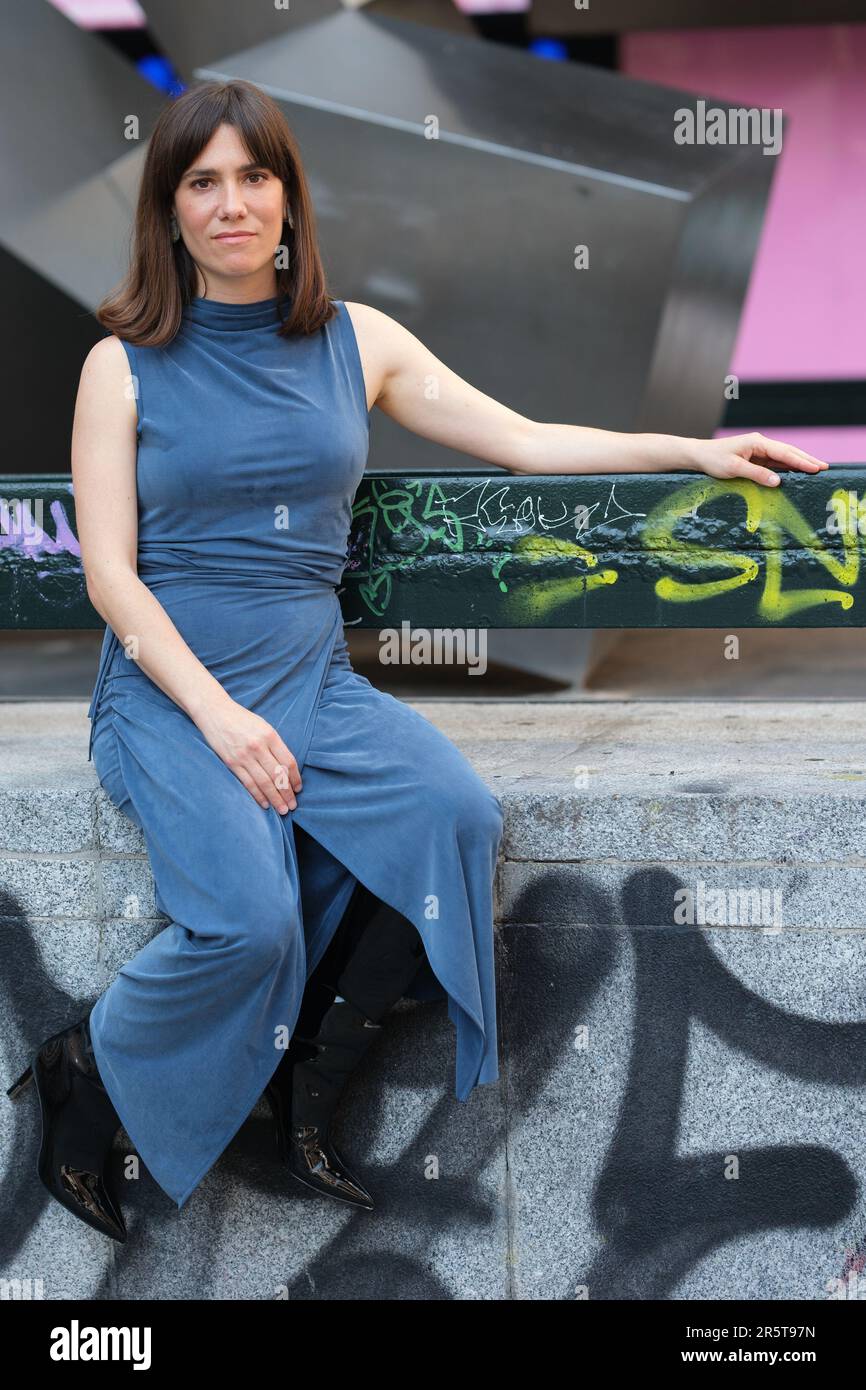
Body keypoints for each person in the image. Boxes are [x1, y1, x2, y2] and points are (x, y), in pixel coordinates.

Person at [5, 79, 827, 1243]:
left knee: (454, 817)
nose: (231, 203)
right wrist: (224, 724)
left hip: (312, 684)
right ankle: (86, 1065)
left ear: (288, 198)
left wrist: (690, 447)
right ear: (170, 209)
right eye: (201, 182)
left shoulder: (357, 341)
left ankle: (293, 1094)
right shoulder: (122, 366)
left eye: (253, 176)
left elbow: (523, 438)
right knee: (248, 923)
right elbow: (109, 580)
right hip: (170, 693)